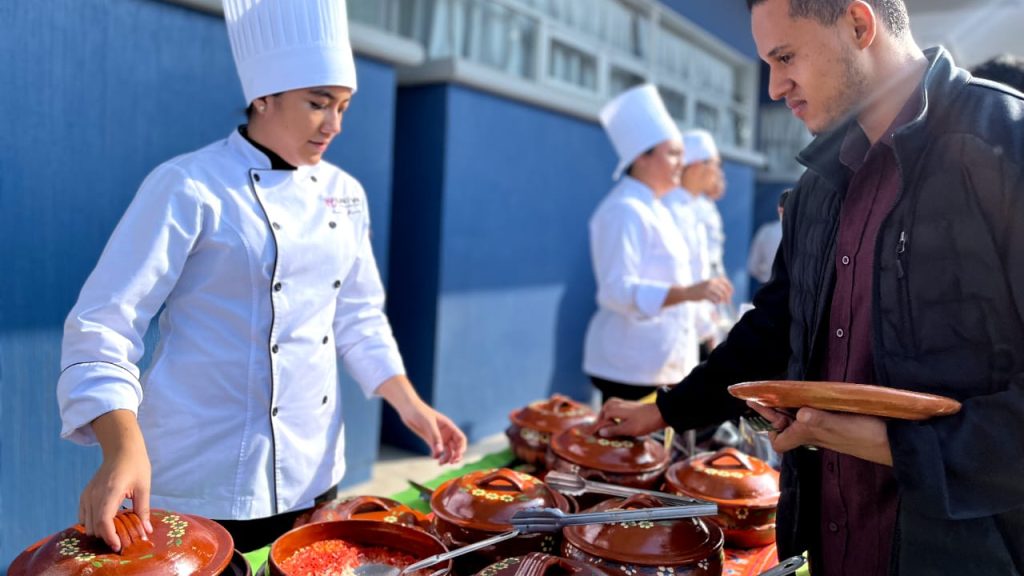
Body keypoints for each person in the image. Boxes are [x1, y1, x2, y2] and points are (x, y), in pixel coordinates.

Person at [595, 0, 1024, 574]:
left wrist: (897, 446)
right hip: (833, 541)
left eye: (785, 56)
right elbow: (773, 326)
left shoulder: (1004, 145)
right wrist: (666, 410)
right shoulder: (819, 186)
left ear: (858, 23)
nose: (774, 87)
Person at [57, 0, 467, 553]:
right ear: (263, 97)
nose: (335, 125)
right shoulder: (188, 185)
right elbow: (104, 323)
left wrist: (410, 405)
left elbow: (357, 315)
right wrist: (121, 446)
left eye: (344, 107)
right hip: (201, 471)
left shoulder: (345, 193)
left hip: (313, 467)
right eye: (319, 104)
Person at [583, 85, 733, 404]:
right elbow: (615, 291)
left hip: (663, 364)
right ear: (642, 156)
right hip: (629, 369)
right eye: (673, 153)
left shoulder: (657, 208)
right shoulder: (624, 210)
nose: (681, 163)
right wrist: (690, 292)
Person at [747, 189, 790, 286]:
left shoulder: (766, 231)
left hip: (769, 288)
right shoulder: (810, 235)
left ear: (779, 209)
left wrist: (768, 274)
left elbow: (753, 267)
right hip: (798, 294)